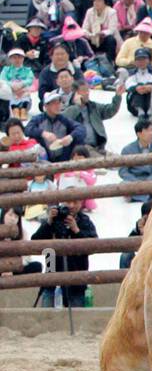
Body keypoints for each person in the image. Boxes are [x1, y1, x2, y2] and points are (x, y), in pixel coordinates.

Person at [30, 180, 97, 308]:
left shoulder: (84, 221)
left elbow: (94, 246)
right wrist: (49, 222)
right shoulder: (53, 219)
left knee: (77, 317)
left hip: (77, 275)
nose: (71, 205)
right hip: (52, 271)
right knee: (46, 316)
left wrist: (76, 230)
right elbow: (35, 241)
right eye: (68, 201)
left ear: (81, 202)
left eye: (75, 202)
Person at [25, 90, 85, 163]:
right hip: (43, 160)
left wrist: (70, 137)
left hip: (63, 159)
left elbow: (81, 129)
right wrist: (43, 133)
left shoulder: (64, 120)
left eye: (59, 103)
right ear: (46, 106)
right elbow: (27, 129)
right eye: (54, 103)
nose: (58, 106)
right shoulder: (38, 119)